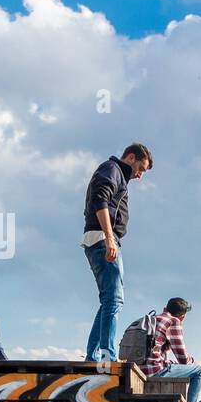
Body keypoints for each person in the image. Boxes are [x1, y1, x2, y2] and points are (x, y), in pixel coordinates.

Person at [83, 143, 153, 362]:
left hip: (99, 238)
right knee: (114, 301)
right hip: (104, 238)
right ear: (130, 158)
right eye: (140, 168)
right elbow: (100, 200)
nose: (140, 175)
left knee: (108, 301)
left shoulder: (116, 173)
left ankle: (94, 355)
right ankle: (107, 354)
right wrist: (110, 238)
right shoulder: (112, 169)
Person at [142, 297, 201, 402]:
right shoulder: (173, 321)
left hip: (140, 370)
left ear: (165, 308)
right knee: (200, 372)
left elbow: (151, 353)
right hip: (154, 372)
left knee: (176, 366)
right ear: (183, 316)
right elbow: (183, 358)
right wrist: (196, 363)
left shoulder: (153, 319)